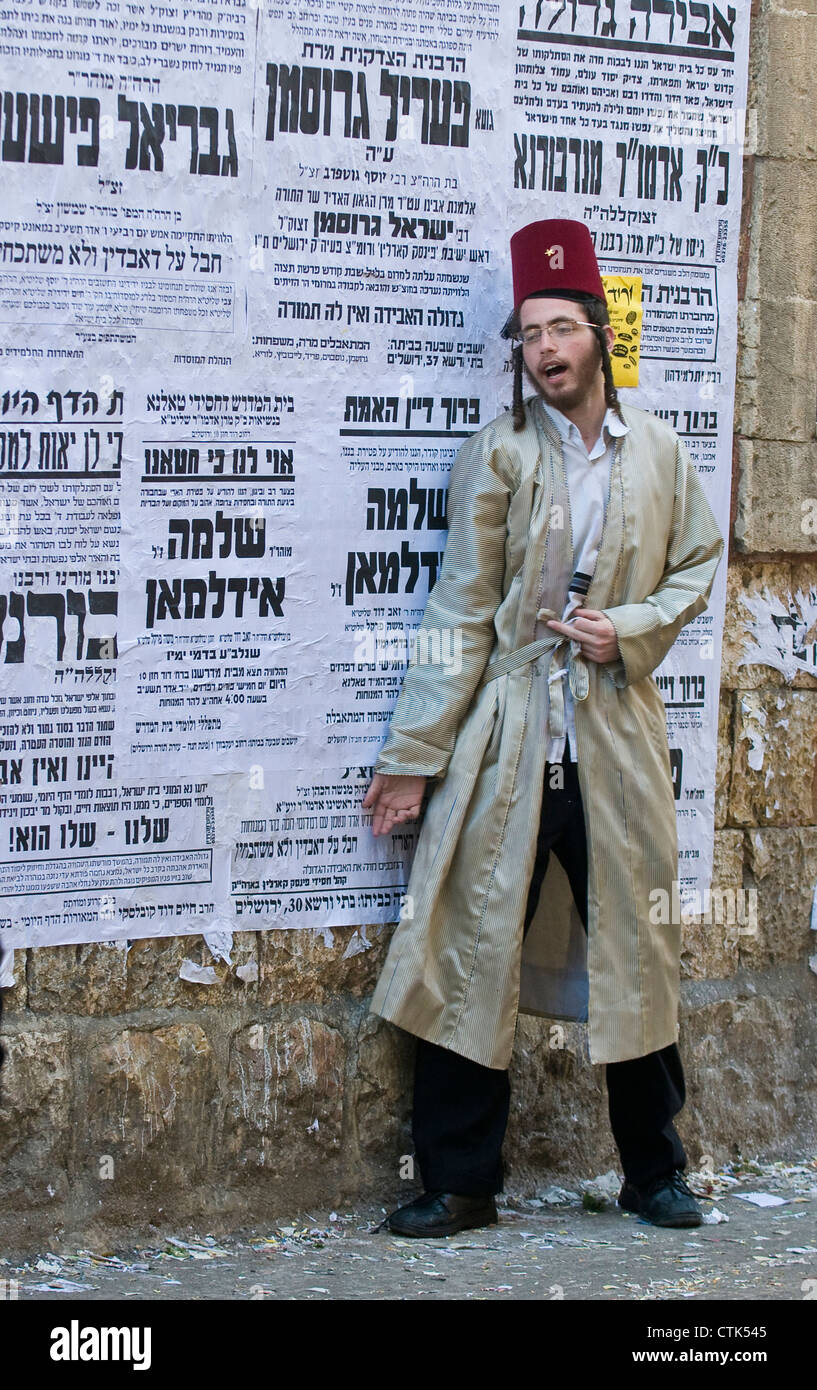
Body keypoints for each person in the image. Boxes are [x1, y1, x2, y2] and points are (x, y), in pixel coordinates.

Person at [363, 218, 725, 1238]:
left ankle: (655, 1171)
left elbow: (699, 564)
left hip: (612, 739)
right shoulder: (500, 450)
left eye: (562, 327)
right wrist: (412, 760)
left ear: (598, 336)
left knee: (637, 951)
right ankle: (460, 1180)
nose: (547, 350)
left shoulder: (655, 451)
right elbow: (459, 609)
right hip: (513, 735)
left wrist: (633, 628)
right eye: (529, 334)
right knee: (470, 941)